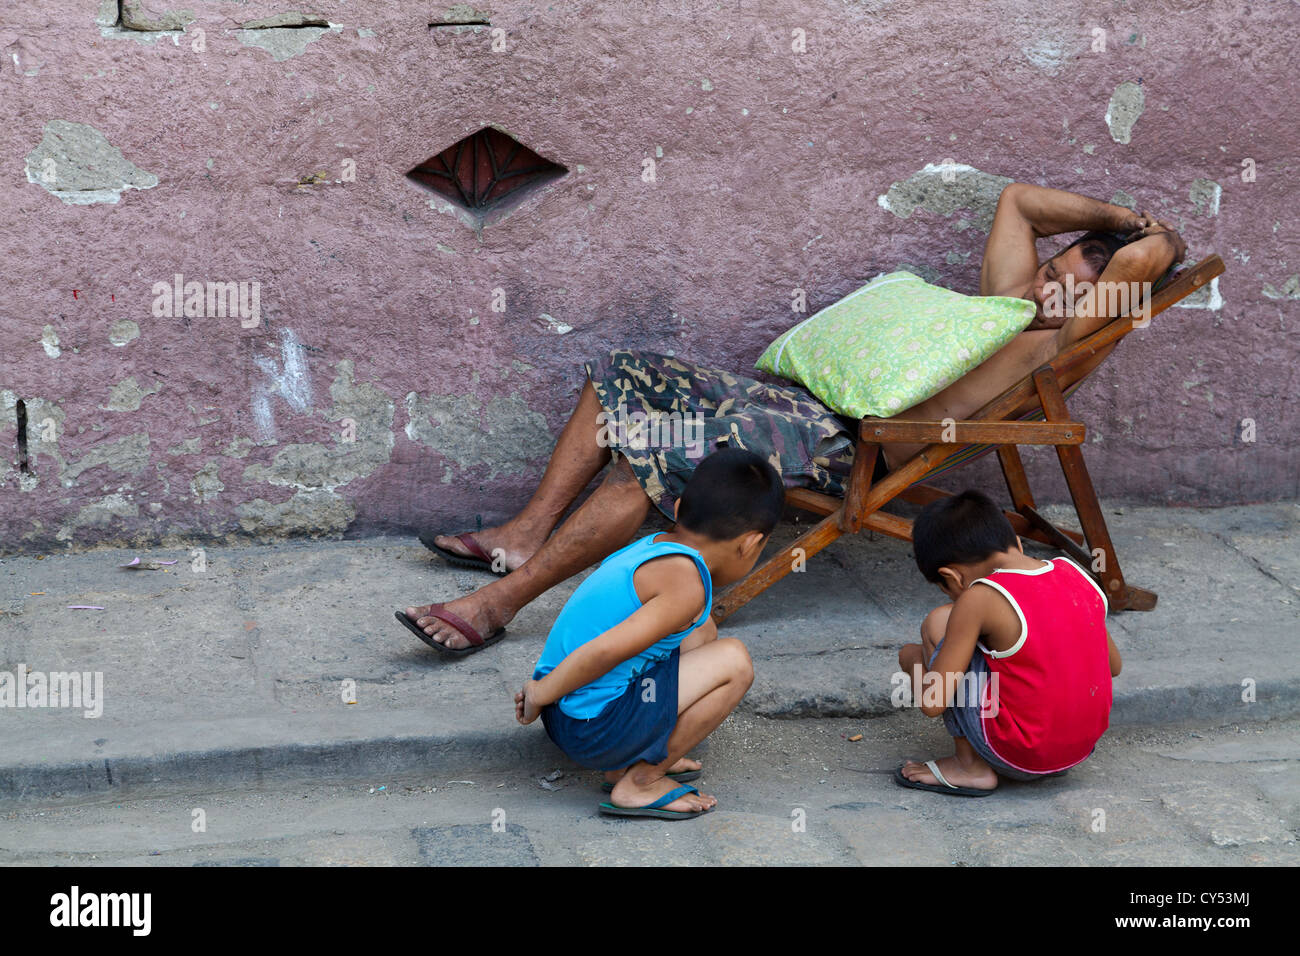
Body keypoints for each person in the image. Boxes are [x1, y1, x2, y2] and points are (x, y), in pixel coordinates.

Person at [398, 182, 1186, 654]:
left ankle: (499, 606)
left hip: (860, 446)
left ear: (1105, 295)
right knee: (627, 374)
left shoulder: (1053, 343)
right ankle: (528, 531)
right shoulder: (1005, 303)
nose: (1049, 290)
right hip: (808, 409)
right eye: (1054, 270)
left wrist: (1150, 242)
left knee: (665, 458)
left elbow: (1147, 261)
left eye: (1073, 285)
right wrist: (1118, 215)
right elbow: (1019, 200)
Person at [513, 448, 781, 819]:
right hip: (589, 725)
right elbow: (606, 650)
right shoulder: (686, 585)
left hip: (571, 713)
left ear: (679, 507)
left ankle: (632, 758)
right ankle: (642, 782)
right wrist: (540, 692)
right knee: (735, 660)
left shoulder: (656, 548)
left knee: (701, 629)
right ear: (751, 543)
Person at [895, 490, 1122, 796]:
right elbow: (1114, 666)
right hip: (1078, 751)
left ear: (953, 577)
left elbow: (934, 704)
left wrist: (913, 662)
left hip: (1018, 756)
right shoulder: (1075, 575)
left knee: (937, 623)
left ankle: (969, 767)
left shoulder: (978, 597)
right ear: (1015, 542)